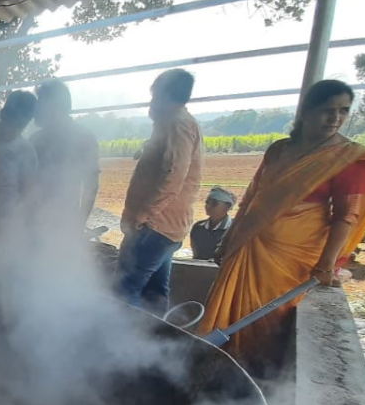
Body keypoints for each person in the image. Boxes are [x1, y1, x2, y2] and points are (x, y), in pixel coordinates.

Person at [199, 79, 365, 366]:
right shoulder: (279, 150)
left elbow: (346, 217)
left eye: (344, 110)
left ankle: (252, 379)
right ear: (306, 110)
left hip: (289, 261)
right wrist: (229, 237)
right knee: (226, 315)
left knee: (266, 324)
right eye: (327, 110)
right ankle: (217, 372)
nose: (335, 118)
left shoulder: (349, 159)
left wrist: (326, 263)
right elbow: (251, 199)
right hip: (246, 248)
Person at [116, 69, 203, 314]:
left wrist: (143, 214)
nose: (151, 101)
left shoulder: (178, 125)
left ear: (164, 93)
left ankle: (121, 347)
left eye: (154, 94)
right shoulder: (174, 123)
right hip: (167, 227)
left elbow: (173, 175)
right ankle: (155, 346)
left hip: (154, 226)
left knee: (124, 292)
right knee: (154, 292)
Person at [31, 79, 100, 226]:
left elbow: (91, 185)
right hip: (34, 219)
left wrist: (80, 222)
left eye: (41, 103)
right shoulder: (35, 140)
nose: (36, 110)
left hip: (65, 219)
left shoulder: (84, 138)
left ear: (55, 107)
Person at [0, 90, 39, 215]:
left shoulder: (26, 151)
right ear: (2, 114)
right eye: (10, 122)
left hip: (9, 220)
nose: (13, 130)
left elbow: (28, 192)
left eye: (20, 125)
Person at [189, 186, 235, 261]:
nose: (208, 206)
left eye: (214, 203)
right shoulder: (198, 227)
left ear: (227, 207)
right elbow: (196, 255)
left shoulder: (235, 228)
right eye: (207, 202)